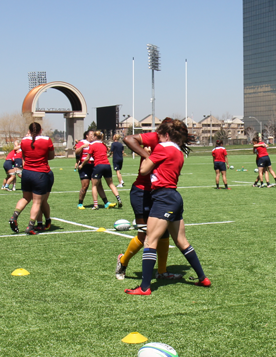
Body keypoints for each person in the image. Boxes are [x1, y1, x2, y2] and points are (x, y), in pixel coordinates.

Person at [124, 119, 210, 295]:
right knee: (182, 242)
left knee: (150, 240)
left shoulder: (162, 148)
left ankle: (145, 287)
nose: (158, 138)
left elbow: (144, 170)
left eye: (160, 135)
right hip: (174, 198)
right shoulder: (178, 151)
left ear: (167, 135)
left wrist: (148, 153)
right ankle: (203, 278)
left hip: (162, 198)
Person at [116, 120, 177, 282]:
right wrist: (148, 156)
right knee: (144, 235)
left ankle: (162, 272)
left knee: (164, 233)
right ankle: (122, 262)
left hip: (160, 194)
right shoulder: (155, 137)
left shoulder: (171, 144)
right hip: (142, 192)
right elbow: (128, 139)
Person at [9, 122, 55, 235]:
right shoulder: (46, 140)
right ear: (41, 130)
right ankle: (30, 226)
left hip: (27, 173)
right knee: (37, 202)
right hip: (40, 173)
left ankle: (14, 216)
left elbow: (24, 156)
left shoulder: (24, 141)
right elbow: (51, 156)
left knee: (25, 198)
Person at [88, 130, 121, 210]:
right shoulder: (103, 145)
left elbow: (88, 157)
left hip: (98, 166)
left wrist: (82, 164)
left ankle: (95, 205)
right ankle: (118, 198)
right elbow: (107, 151)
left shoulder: (93, 145)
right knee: (111, 184)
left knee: (94, 185)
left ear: (95, 137)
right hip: (107, 165)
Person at [74, 132, 93, 209]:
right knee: (85, 185)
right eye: (91, 134)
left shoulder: (94, 143)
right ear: (87, 135)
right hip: (84, 166)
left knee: (98, 185)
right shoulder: (82, 142)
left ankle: (106, 202)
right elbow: (77, 152)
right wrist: (82, 147)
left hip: (94, 165)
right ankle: (80, 203)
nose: (93, 136)